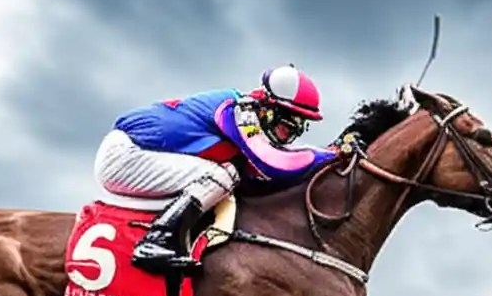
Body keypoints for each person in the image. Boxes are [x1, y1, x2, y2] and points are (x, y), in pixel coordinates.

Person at [94, 64, 338, 274]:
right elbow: (272, 163)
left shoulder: (250, 120)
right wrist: (330, 154)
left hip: (138, 153)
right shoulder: (240, 111)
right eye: (288, 124)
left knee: (231, 178)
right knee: (224, 174)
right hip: (127, 154)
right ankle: (157, 240)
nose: (292, 133)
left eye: (300, 126)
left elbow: (264, 178)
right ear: (269, 108)